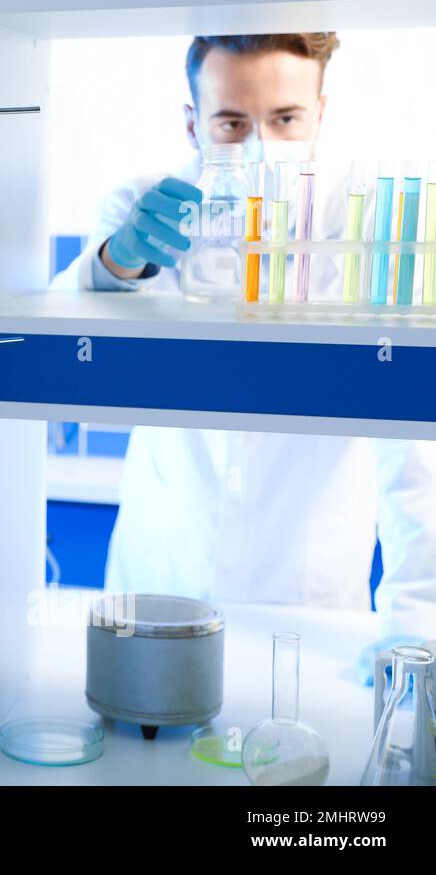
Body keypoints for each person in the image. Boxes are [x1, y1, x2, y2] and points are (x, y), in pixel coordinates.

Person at [53, 32, 436, 642]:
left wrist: (416, 625)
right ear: (192, 124)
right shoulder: (143, 206)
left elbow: (412, 452)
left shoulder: (367, 221)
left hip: (306, 597)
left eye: (286, 119)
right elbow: (63, 347)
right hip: (158, 580)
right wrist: (118, 261)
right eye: (232, 123)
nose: (262, 147)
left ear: (321, 114)